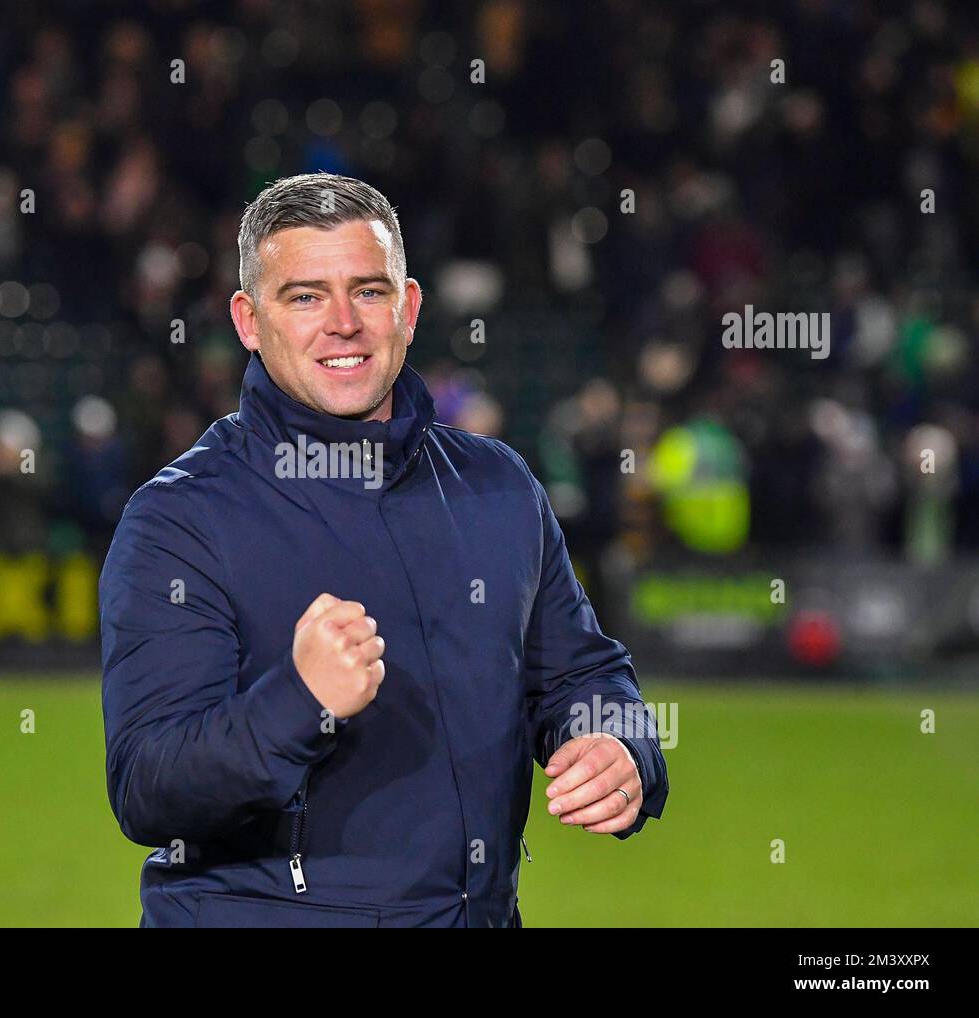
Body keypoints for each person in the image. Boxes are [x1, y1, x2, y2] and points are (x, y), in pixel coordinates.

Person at [99, 173, 668, 928]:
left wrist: (620, 743)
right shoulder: (180, 518)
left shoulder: (497, 487)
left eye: (368, 291)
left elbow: (581, 676)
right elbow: (148, 788)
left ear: (409, 308)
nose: (344, 324)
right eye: (305, 297)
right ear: (248, 320)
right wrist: (298, 701)